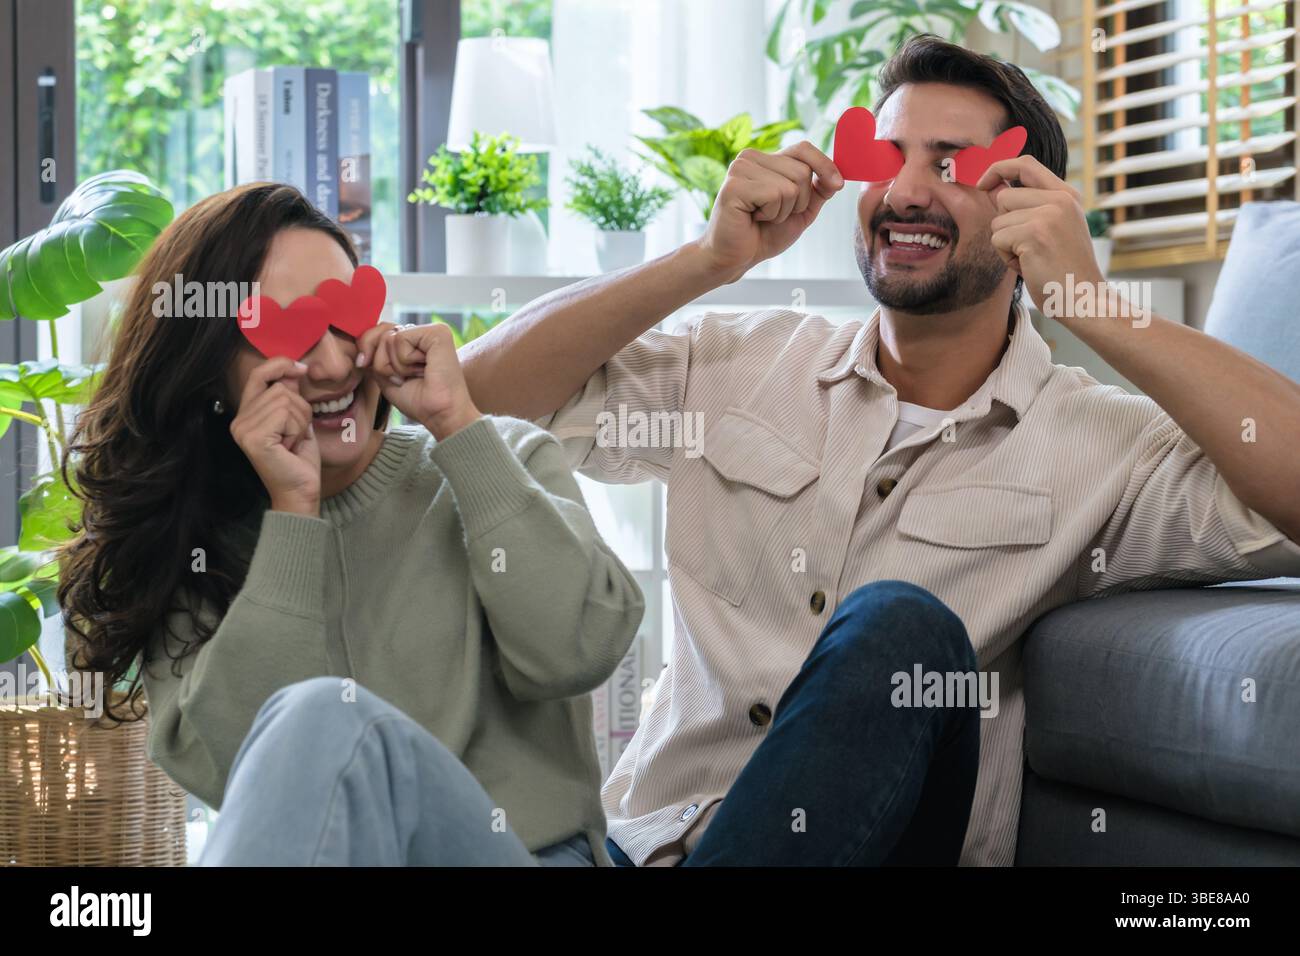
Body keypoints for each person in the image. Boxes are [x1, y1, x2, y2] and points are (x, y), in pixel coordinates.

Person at [458, 35, 1300, 866]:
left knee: (899, 626)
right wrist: (705, 260)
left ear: (1028, 204)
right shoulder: (731, 363)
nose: (902, 191)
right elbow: (472, 402)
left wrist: (1090, 301)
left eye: (950, 165)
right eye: (887, 157)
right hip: (642, 846)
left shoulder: (1109, 450)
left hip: (880, 845)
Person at [58, 182, 645, 866]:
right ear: (210, 366)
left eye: (345, 320)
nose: (333, 364)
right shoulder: (189, 545)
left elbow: (581, 649)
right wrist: (294, 514)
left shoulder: (501, 456)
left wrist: (458, 428)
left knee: (320, 712)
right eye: (286, 329)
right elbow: (242, 773)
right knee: (312, 718)